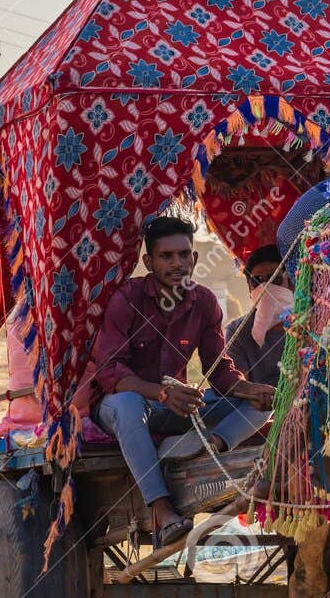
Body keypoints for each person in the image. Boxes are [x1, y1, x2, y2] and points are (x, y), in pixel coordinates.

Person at [91, 215, 275, 548]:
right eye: (167, 256)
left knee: (263, 405)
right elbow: (109, 372)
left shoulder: (204, 303)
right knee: (129, 404)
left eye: (183, 255)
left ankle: (210, 446)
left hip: (175, 410)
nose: (177, 264)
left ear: (194, 258)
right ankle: (162, 510)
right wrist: (162, 393)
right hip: (124, 407)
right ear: (149, 262)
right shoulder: (127, 298)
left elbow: (219, 372)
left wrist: (250, 389)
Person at [225, 244, 292, 394]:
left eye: (274, 279)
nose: (266, 287)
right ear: (250, 290)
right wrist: (253, 395)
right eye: (257, 281)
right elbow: (238, 384)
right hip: (261, 411)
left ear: (291, 283)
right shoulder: (238, 331)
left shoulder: (312, 323)